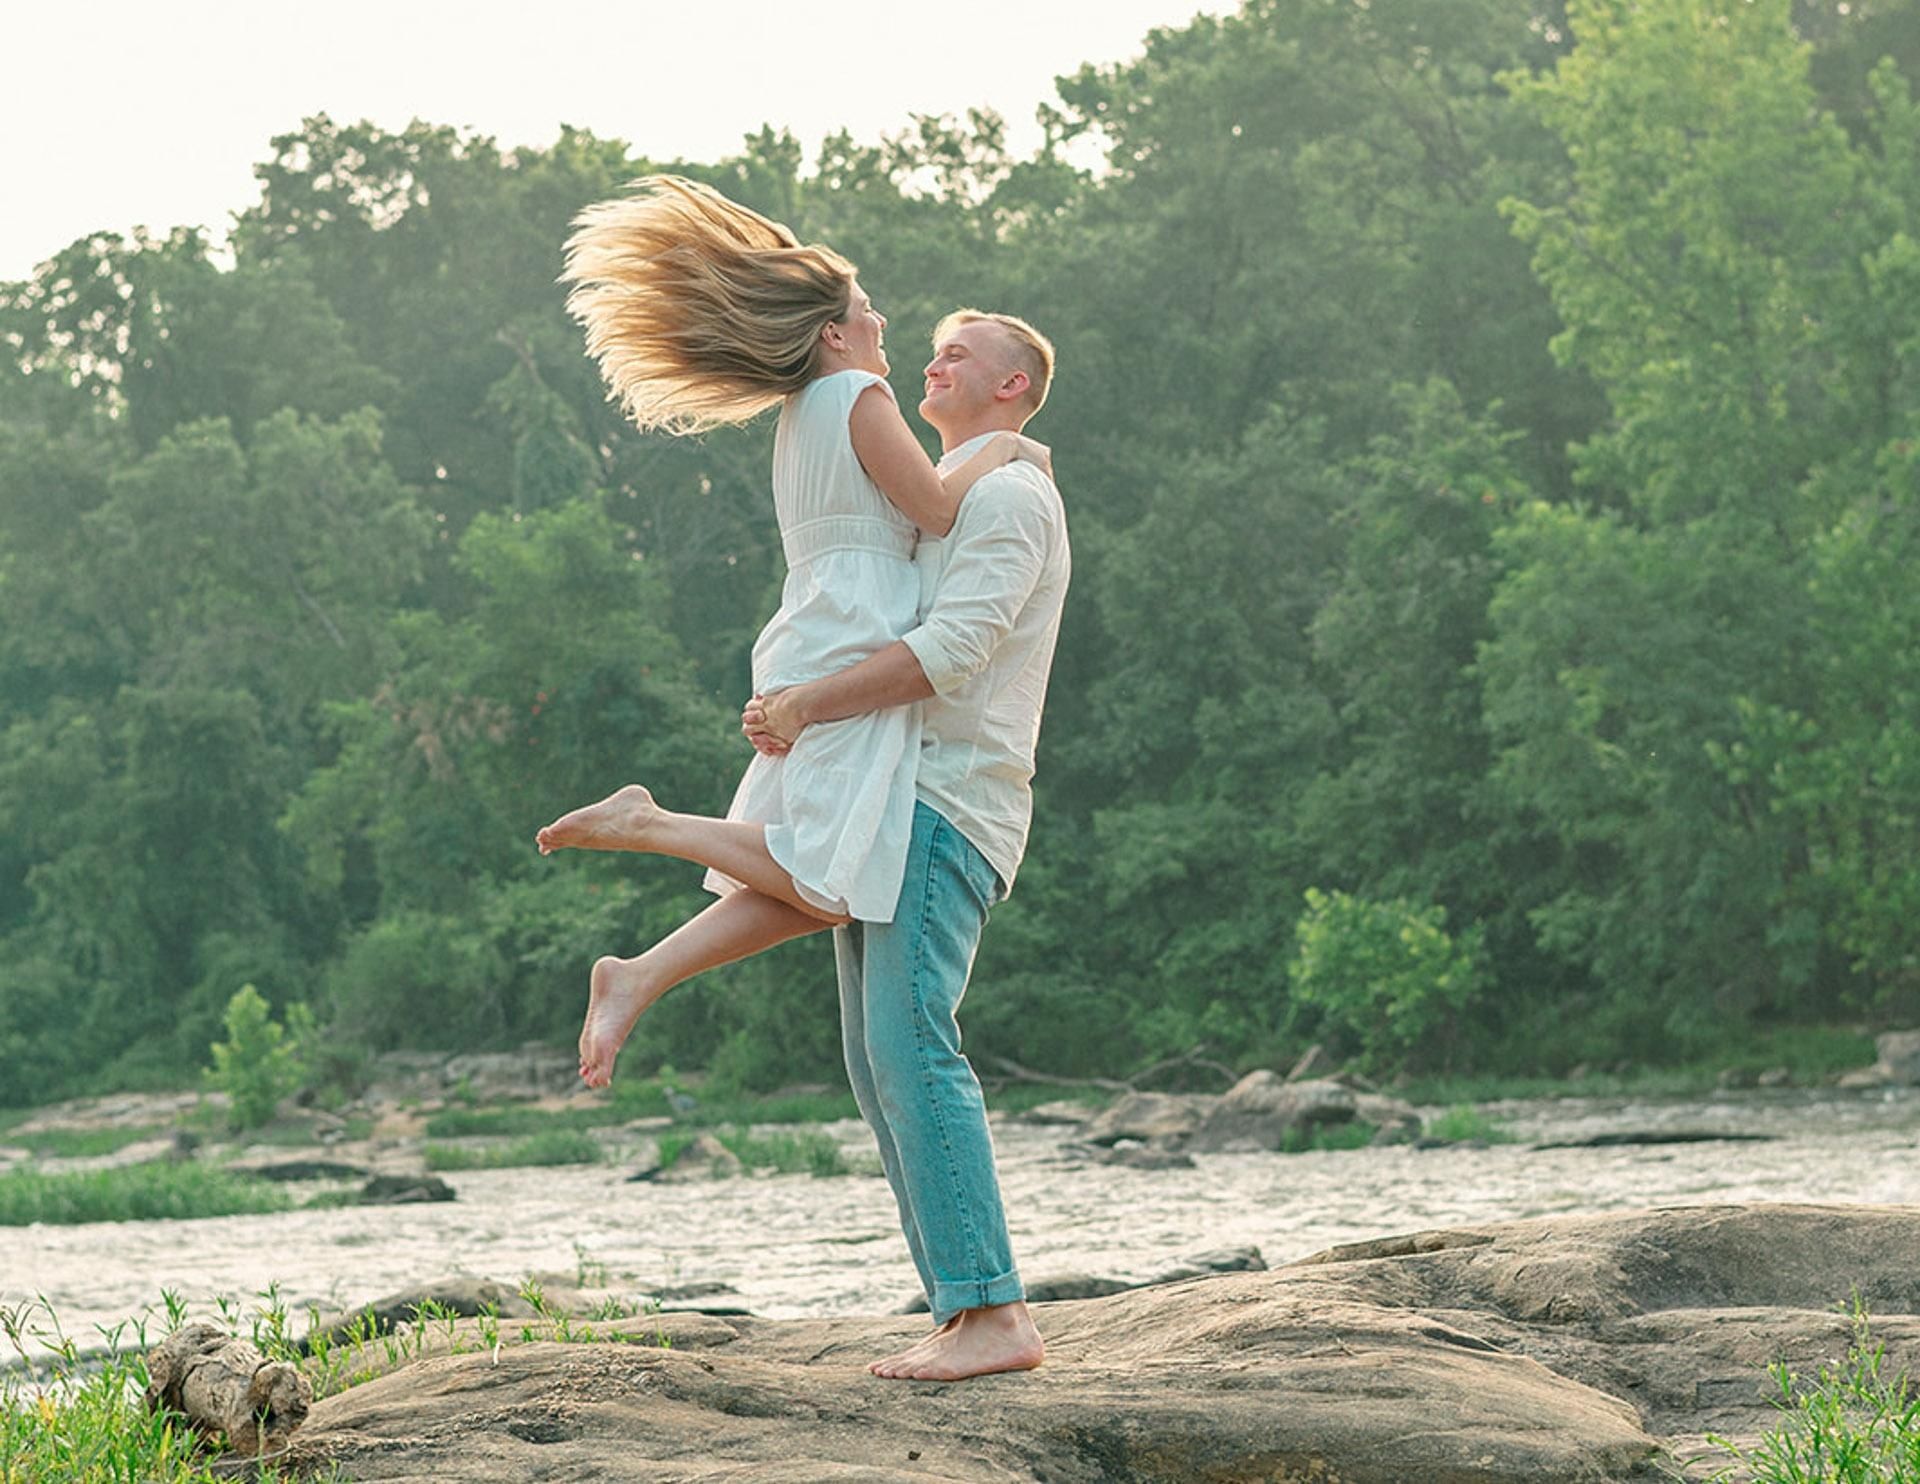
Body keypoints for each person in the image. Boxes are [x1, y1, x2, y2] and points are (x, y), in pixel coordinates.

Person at [534, 176, 1045, 1089]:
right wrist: (1002, 449)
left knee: (819, 880)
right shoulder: (857, 392)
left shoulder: (801, 411)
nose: (884, 322)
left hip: (813, 629)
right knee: (825, 878)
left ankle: (639, 973)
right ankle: (646, 824)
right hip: (852, 638)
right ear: (832, 334)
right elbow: (931, 508)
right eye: (867, 309)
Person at [742, 307, 1069, 1382]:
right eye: (933, 343)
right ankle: (959, 1304)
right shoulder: (954, 496)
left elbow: (954, 651)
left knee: (913, 1043)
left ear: (1013, 386)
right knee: (876, 1055)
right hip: (894, 795)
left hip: (947, 798)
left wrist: (807, 705)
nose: (937, 359)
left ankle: (992, 1312)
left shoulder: (1014, 495)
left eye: (962, 351)